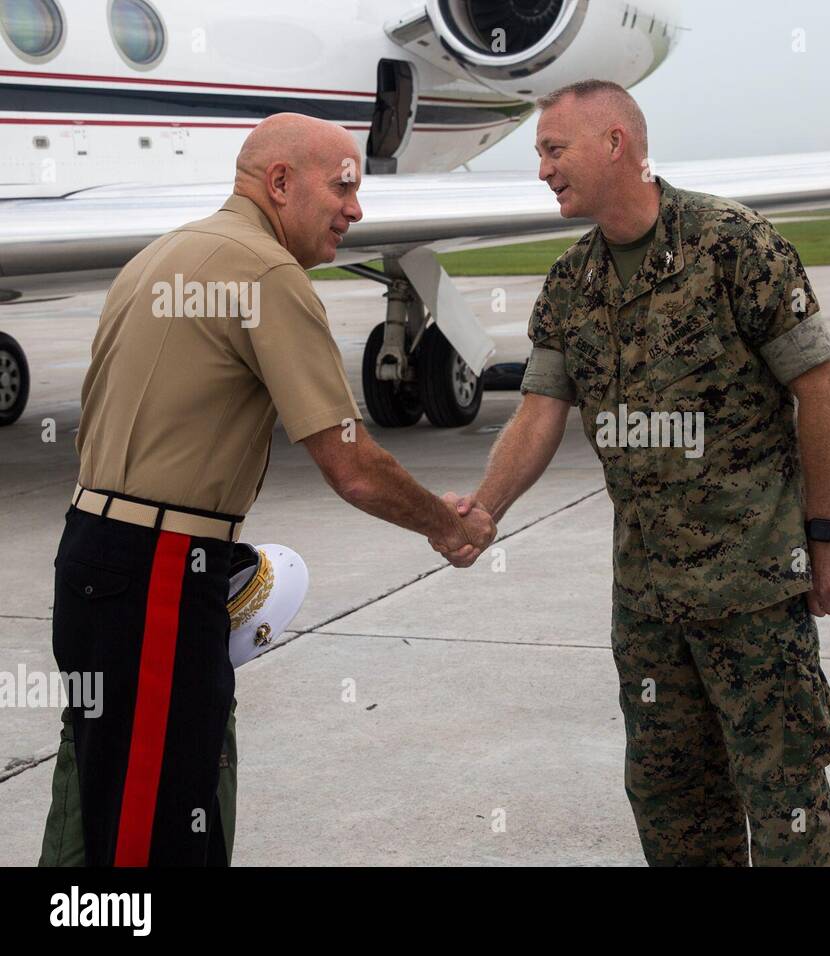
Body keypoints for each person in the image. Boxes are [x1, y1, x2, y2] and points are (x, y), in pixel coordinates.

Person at [39, 112, 493, 867]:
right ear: (279, 183)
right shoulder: (265, 272)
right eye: (343, 186)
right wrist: (443, 527)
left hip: (92, 556)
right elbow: (349, 461)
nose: (357, 208)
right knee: (154, 833)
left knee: (99, 805)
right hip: (157, 576)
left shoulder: (157, 257)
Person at [450, 80, 830, 866]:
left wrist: (826, 537)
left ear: (615, 144)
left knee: (784, 801)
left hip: (754, 593)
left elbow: (820, 389)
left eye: (554, 150)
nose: (543, 170)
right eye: (539, 153)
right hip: (647, 605)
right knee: (670, 802)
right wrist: (484, 511)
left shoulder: (735, 245)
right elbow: (539, 411)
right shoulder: (573, 282)